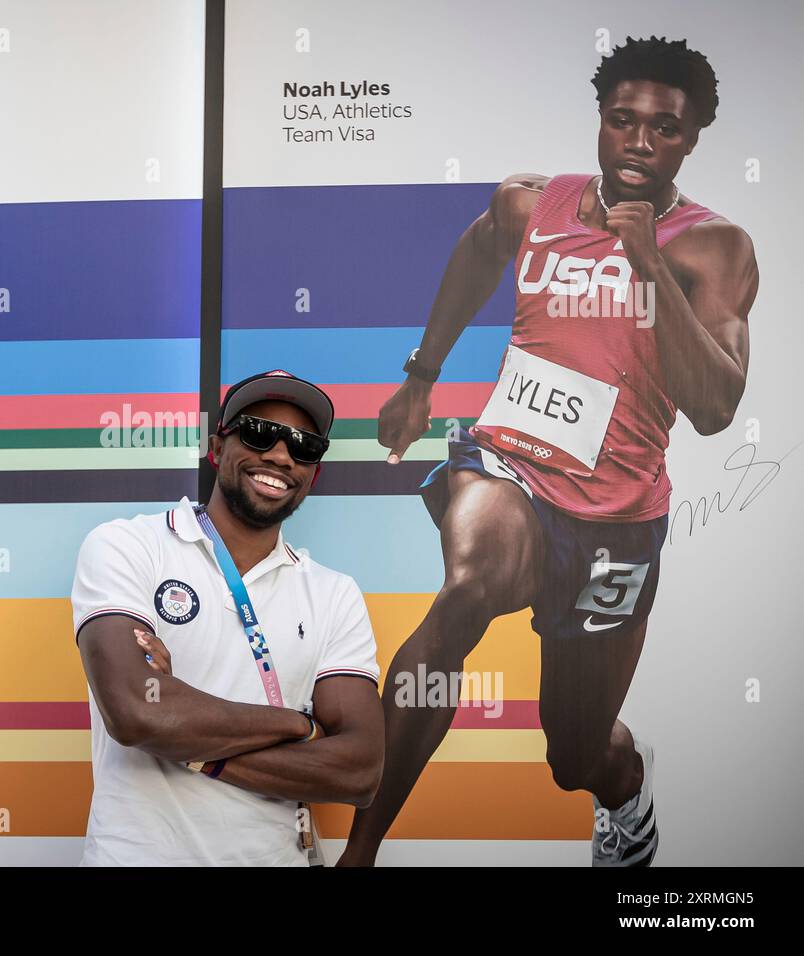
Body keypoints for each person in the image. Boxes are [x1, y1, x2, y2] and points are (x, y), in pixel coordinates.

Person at [340, 37, 757, 867]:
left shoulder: (714, 249)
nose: (640, 142)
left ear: (695, 135)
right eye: (623, 121)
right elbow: (478, 255)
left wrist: (644, 259)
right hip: (513, 465)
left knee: (572, 754)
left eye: (665, 129)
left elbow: (716, 407)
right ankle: (361, 850)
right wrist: (422, 375)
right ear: (600, 123)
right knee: (467, 588)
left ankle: (624, 793)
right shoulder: (532, 205)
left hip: (618, 519)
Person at [71, 370, 385, 865]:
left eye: (304, 446)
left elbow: (360, 770)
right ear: (218, 446)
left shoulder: (333, 594)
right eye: (260, 432)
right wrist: (301, 726)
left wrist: (183, 730)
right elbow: (137, 712)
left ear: (313, 473)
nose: (281, 455)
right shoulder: (128, 546)